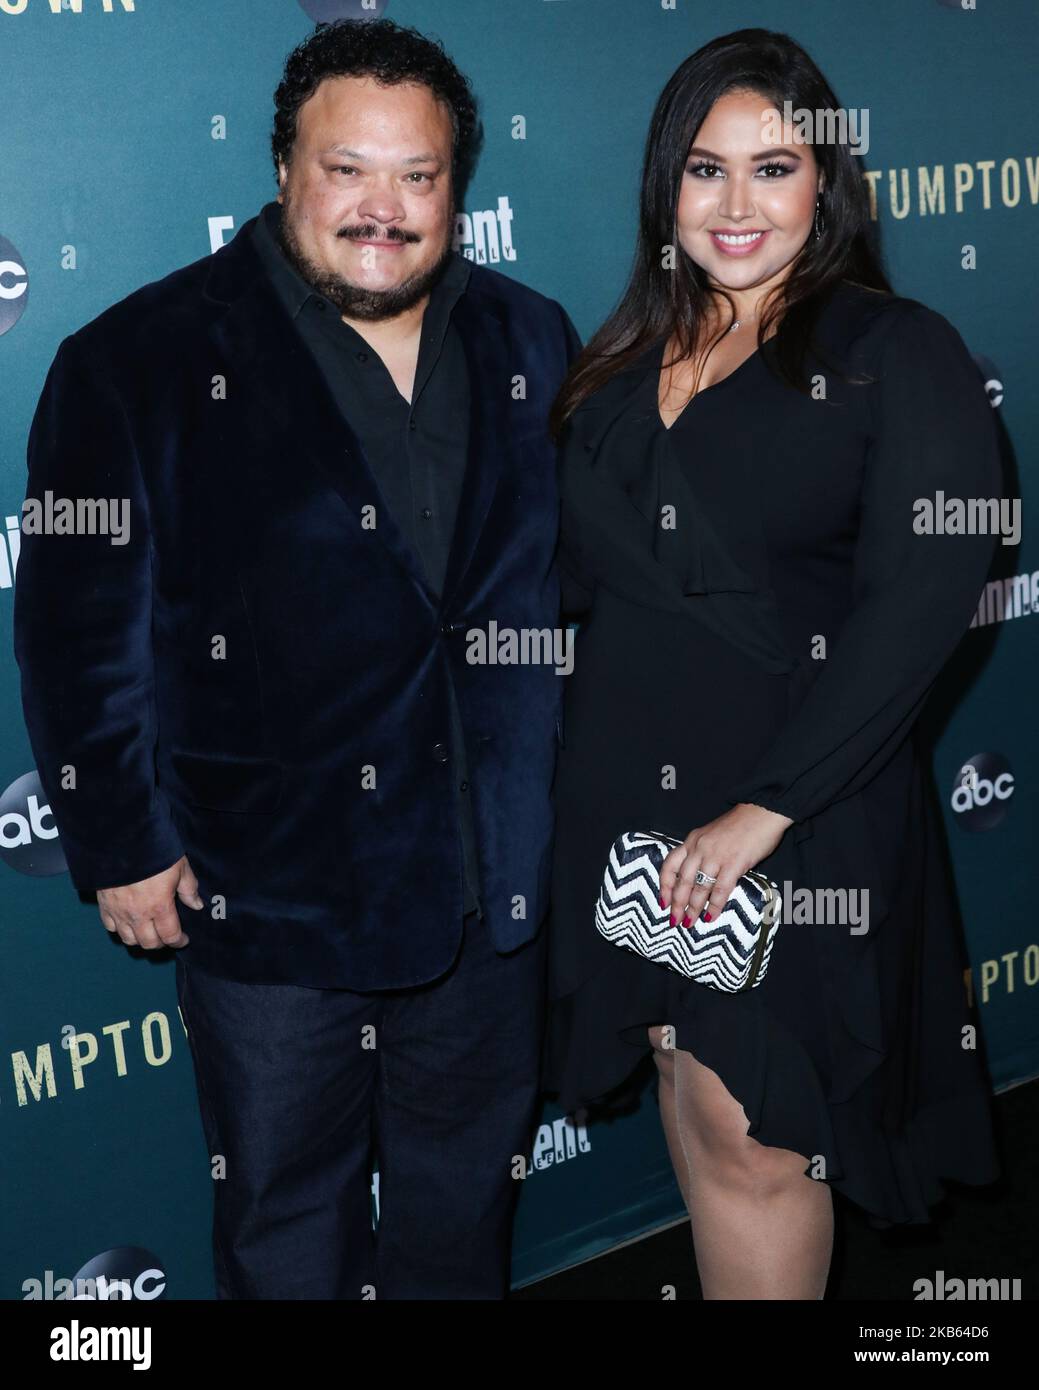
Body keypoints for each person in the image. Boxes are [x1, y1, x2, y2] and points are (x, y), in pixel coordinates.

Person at [14, 18, 578, 1300]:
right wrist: (120, 841)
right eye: (347, 169)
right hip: (265, 896)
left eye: (418, 177)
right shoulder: (134, 361)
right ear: (281, 171)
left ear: (456, 188)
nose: (382, 208)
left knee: (458, 1220)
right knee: (284, 1233)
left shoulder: (534, 340)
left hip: (487, 888)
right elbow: (72, 628)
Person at [542, 27, 1004, 1301]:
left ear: (827, 184)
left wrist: (769, 807)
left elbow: (923, 598)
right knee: (690, 1100)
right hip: (627, 800)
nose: (736, 203)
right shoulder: (622, 361)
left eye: (773, 166)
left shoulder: (892, 350)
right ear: (663, 187)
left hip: (791, 808)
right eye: (705, 168)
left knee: (760, 1139)